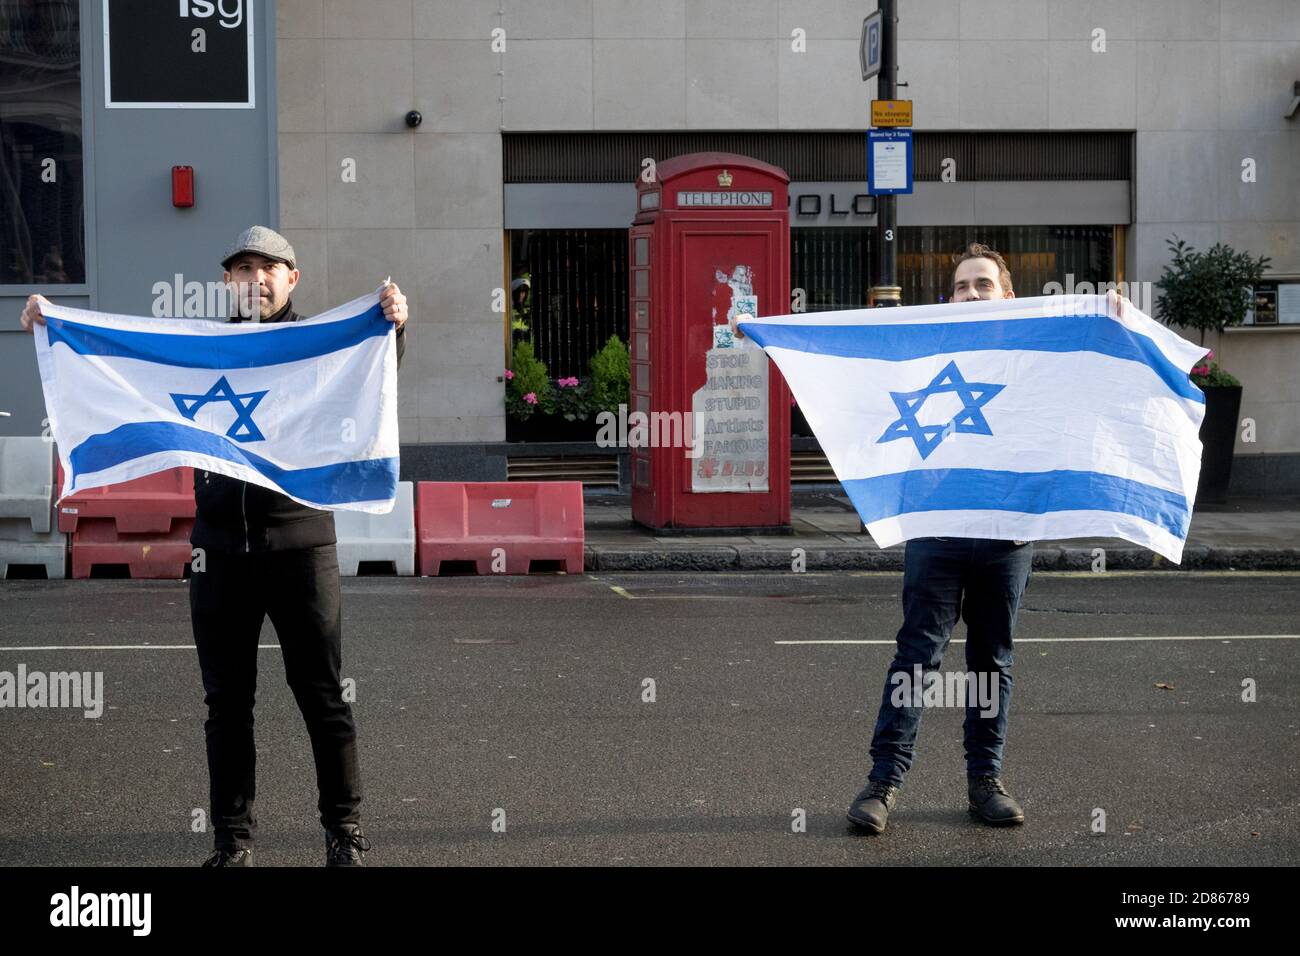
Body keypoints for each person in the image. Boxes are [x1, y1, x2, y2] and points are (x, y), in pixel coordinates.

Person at [21, 225, 409, 866]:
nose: (254, 279)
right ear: (227, 281)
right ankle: (233, 844)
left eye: (267, 268)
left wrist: (393, 325)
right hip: (218, 553)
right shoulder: (199, 352)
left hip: (301, 547)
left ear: (292, 278)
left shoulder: (322, 346)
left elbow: (371, 375)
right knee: (227, 705)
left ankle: (345, 833)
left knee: (323, 696)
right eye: (241, 269)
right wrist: (54, 325)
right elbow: (118, 360)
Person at [846, 243, 1032, 834]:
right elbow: (856, 366)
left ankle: (985, 781)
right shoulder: (926, 350)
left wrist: (1112, 317)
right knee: (916, 658)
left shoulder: (1036, 358)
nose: (971, 293)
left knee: (991, 661)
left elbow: (1092, 384)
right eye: (961, 286)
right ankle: (883, 782)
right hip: (937, 527)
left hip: (1006, 531)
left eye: (983, 284)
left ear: (1008, 296)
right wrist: (768, 332)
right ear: (948, 299)